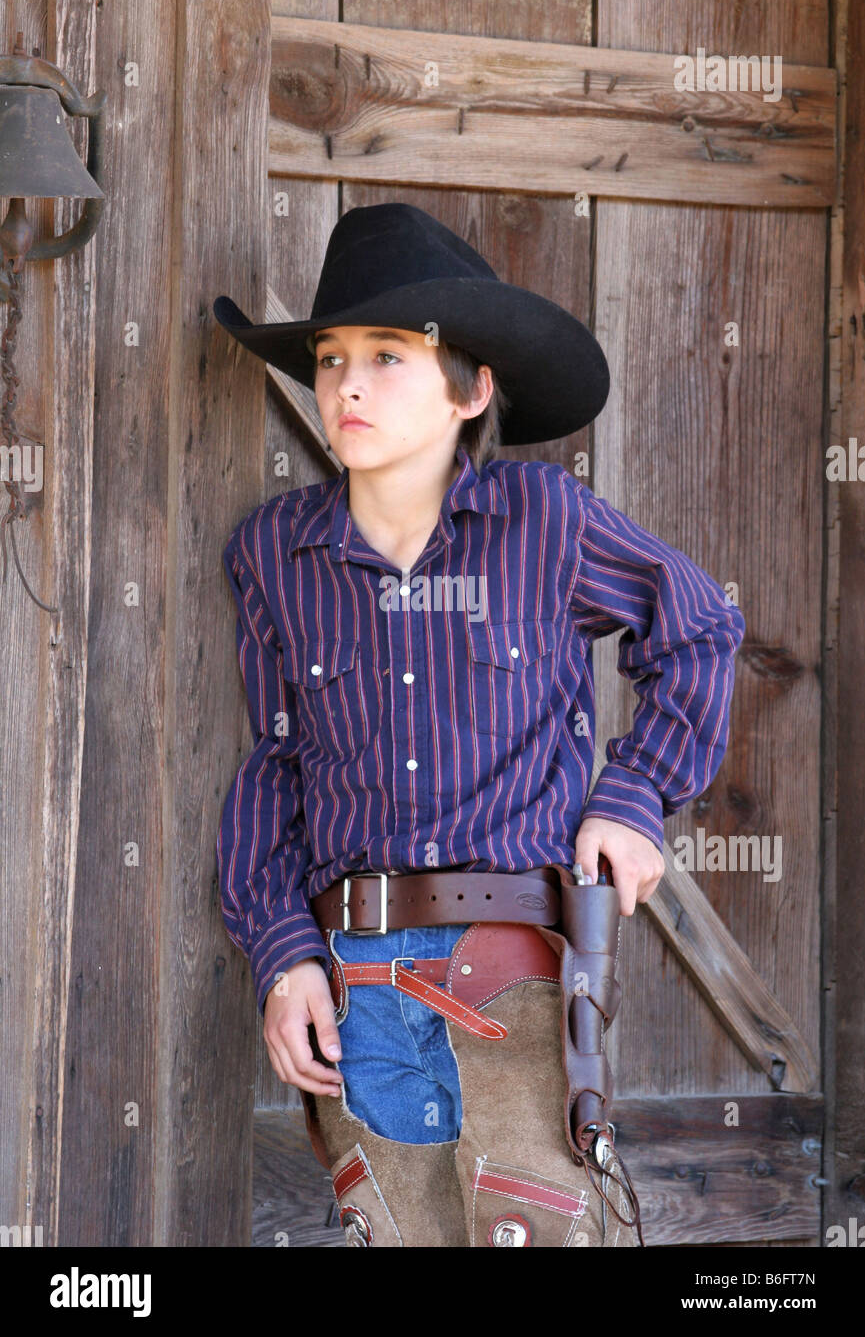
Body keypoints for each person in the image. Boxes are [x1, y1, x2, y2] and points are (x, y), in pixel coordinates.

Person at [213, 203, 746, 1247]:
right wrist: (282, 955)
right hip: (355, 986)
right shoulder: (275, 553)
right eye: (329, 358)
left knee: (537, 1229)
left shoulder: (544, 520)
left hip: (514, 974)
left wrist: (635, 796)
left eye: (386, 356)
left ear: (472, 390)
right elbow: (274, 764)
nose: (346, 385)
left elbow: (696, 628)